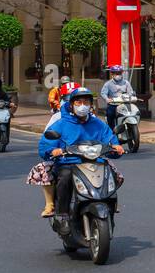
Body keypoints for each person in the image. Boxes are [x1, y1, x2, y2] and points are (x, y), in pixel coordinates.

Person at [30, 87, 124, 218]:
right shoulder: (61, 123)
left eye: (86, 102)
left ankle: (110, 202)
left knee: (113, 175)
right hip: (68, 162)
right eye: (78, 102)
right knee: (65, 178)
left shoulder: (98, 123)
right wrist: (52, 150)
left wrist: (116, 146)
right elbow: (46, 143)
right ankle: (62, 214)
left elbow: (109, 137)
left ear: (91, 105)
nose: (82, 106)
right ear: (71, 105)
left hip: (95, 161)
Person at [99, 65, 131, 135]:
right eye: (116, 73)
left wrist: (131, 96)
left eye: (119, 73)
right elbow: (103, 93)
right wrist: (107, 99)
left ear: (122, 73)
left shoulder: (126, 83)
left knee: (130, 114)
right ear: (112, 74)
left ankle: (129, 130)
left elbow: (130, 92)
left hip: (124, 105)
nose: (118, 75)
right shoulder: (108, 84)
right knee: (110, 115)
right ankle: (111, 133)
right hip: (113, 105)